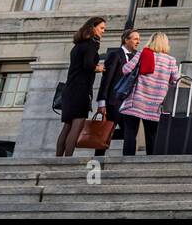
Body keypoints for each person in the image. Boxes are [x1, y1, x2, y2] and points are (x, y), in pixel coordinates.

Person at [118, 32, 181, 155]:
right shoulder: (170, 60)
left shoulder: (143, 53)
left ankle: (127, 161)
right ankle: (150, 161)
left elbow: (125, 69)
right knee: (152, 135)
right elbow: (176, 80)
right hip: (155, 104)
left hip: (136, 101)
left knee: (130, 133)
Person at [56, 17, 106, 156]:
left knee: (67, 127)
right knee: (76, 127)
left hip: (69, 89)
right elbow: (88, 65)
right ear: (92, 27)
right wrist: (99, 68)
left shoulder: (77, 45)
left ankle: (58, 161)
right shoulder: (91, 44)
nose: (103, 31)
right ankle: (67, 163)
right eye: (101, 28)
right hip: (80, 90)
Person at [94, 28, 139, 156]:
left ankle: (128, 162)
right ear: (126, 40)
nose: (138, 42)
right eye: (135, 39)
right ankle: (98, 159)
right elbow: (106, 79)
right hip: (113, 102)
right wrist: (102, 102)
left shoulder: (137, 56)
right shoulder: (115, 55)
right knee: (106, 131)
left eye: (139, 39)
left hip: (130, 102)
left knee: (130, 133)